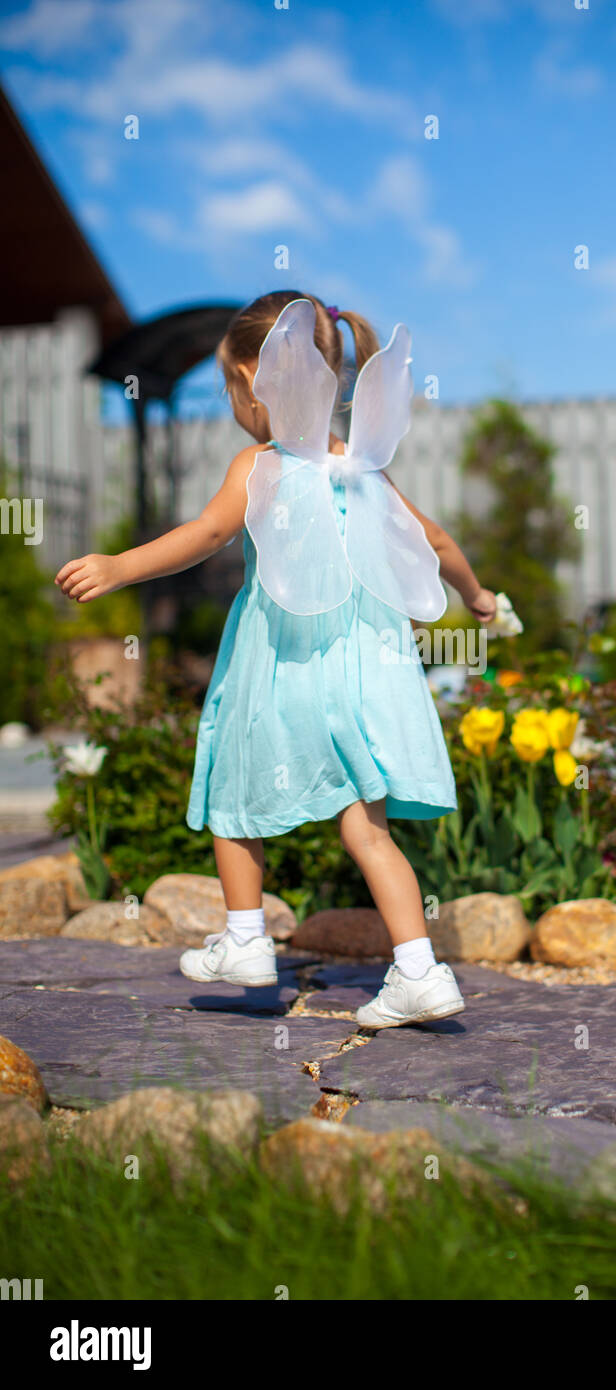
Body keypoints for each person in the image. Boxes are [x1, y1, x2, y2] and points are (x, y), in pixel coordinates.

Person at [55, 290, 497, 1029]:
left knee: (233, 794)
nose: (234, 404)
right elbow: (439, 543)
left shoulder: (260, 463)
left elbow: (204, 535)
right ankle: (419, 969)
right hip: (367, 676)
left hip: (285, 667)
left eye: (232, 387)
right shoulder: (364, 468)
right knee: (367, 827)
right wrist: (479, 599)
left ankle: (246, 940)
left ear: (258, 382)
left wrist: (119, 566)